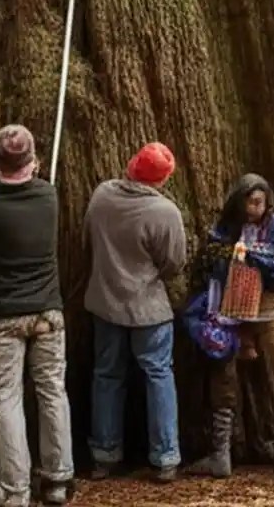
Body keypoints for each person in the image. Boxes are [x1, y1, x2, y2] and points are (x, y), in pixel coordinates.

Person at [0, 125, 74, 507]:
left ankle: (12, 490)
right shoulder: (49, 196)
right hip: (47, 314)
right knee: (52, 390)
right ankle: (58, 479)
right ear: (34, 162)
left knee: (4, 398)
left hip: (2, 316)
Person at [187, 174, 274, 480]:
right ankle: (220, 454)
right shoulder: (225, 228)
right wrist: (231, 257)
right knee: (223, 377)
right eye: (248, 201)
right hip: (232, 314)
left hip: (271, 314)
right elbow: (209, 260)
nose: (253, 207)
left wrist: (254, 258)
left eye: (259, 201)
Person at [83, 142, 187, 482]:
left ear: (131, 165)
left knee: (106, 375)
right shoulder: (165, 212)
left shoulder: (101, 196)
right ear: (162, 179)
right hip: (149, 310)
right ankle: (165, 456)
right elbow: (174, 263)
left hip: (104, 302)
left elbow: (87, 240)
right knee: (158, 374)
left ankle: (104, 454)